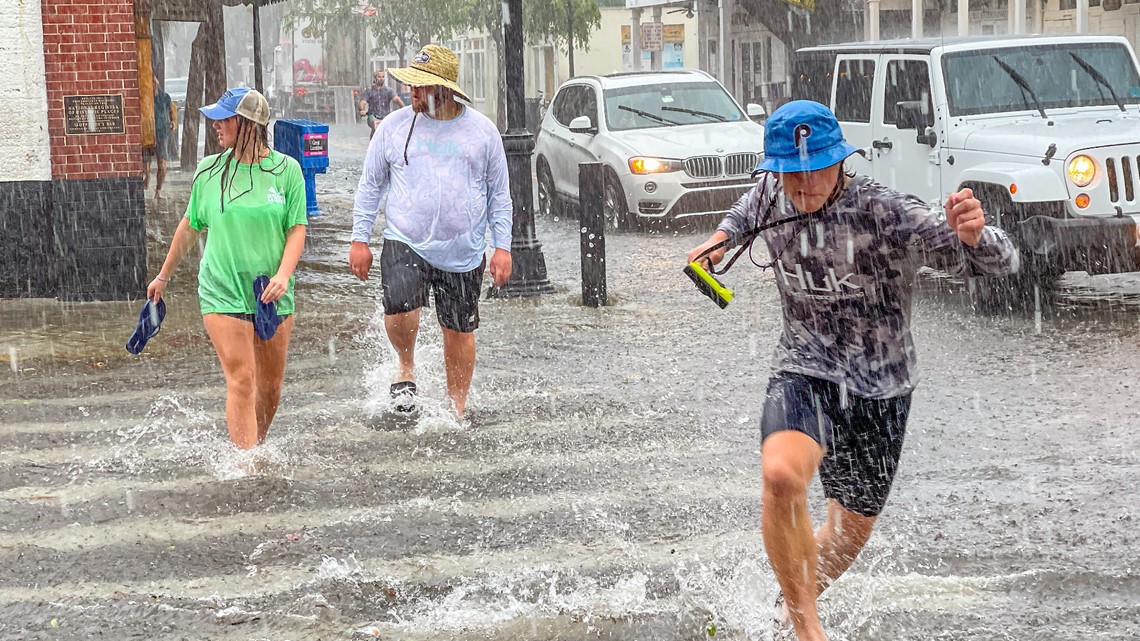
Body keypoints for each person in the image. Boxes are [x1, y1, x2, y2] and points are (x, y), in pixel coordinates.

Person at [686, 100, 1019, 641]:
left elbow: (1004, 265)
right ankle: (807, 633)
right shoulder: (772, 194)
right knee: (780, 476)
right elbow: (745, 212)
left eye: (818, 167)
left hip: (881, 386)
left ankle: (779, 613)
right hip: (805, 365)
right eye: (792, 173)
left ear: (842, 160)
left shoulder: (884, 212)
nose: (805, 184)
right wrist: (721, 240)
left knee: (846, 534)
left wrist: (978, 235)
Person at [350, 44, 513, 419]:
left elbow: (499, 194)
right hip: (405, 239)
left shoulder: (482, 133)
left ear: (444, 89)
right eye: (412, 85)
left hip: (463, 250)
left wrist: (501, 247)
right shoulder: (393, 127)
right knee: (400, 308)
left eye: (421, 86)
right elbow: (370, 185)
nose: (413, 92)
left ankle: (456, 406)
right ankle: (405, 368)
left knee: (458, 331)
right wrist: (360, 239)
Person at [147, 87, 308, 451]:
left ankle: (256, 443)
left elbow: (297, 228)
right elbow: (190, 225)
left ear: (249, 124)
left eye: (225, 118)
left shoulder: (287, 172)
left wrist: (284, 275)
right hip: (221, 289)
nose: (216, 125)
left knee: (269, 387)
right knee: (242, 379)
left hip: (272, 292)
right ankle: (246, 463)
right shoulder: (209, 170)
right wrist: (163, 275)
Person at [144, 74, 177, 199]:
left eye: (153, 82)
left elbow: (172, 110)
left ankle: (158, 191)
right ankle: (147, 177)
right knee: (145, 168)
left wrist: (173, 122)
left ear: (156, 83)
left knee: (162, 166)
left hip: (162, 135)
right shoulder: (144, 97)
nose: (151, 85)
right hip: (146, 135)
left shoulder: (164, 97)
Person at [358, 70, 406, 139]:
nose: (381, 78)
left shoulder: (389, 90)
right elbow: (363, 102)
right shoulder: (369, 90)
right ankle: (373, 144)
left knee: (391, 130)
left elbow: (396, 99)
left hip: (385, 117)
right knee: (376, 124)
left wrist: (405, 109)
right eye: (379, 77)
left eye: (383, 77)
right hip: (372, 116)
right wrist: (362, 110)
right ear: (375, 78)